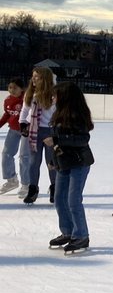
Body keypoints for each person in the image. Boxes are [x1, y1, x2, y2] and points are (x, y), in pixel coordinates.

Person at [45, 82, 95, 254]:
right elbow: (56, 140)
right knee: (59, 199)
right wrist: (53, 160)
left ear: (65, 97)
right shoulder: (58, 114)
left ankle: (81, 235)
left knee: (73, 200)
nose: (52, 98)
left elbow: (82, 139)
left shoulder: (77, 116)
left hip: (79, 163)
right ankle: (68, 232)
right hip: (63, 162)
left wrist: (59, 141)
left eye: (55, 95)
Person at [18, 66, 57, 204]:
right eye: (33, 76)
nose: (33, 79)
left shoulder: (53, 94)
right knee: (33, 162)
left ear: (45, 79)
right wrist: (23, 124)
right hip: (33, 130)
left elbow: (56, 114)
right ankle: (33, 189)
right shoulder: (31, 93)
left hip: (49, 131)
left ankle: (54, 189)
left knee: (51, 162)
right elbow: (25, 110)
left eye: (37, 77)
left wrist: (55, 133)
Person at [0, 78, 26, 194]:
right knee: (6, 154)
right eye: (10, 87)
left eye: (15, 87)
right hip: (13, 130)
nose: (12, 90)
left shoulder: (27, 99)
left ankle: (26, 184)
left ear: (22, 89)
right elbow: (7, 114)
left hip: (27, 131)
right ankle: (11, 180)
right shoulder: (8, 100)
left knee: (24, 156)